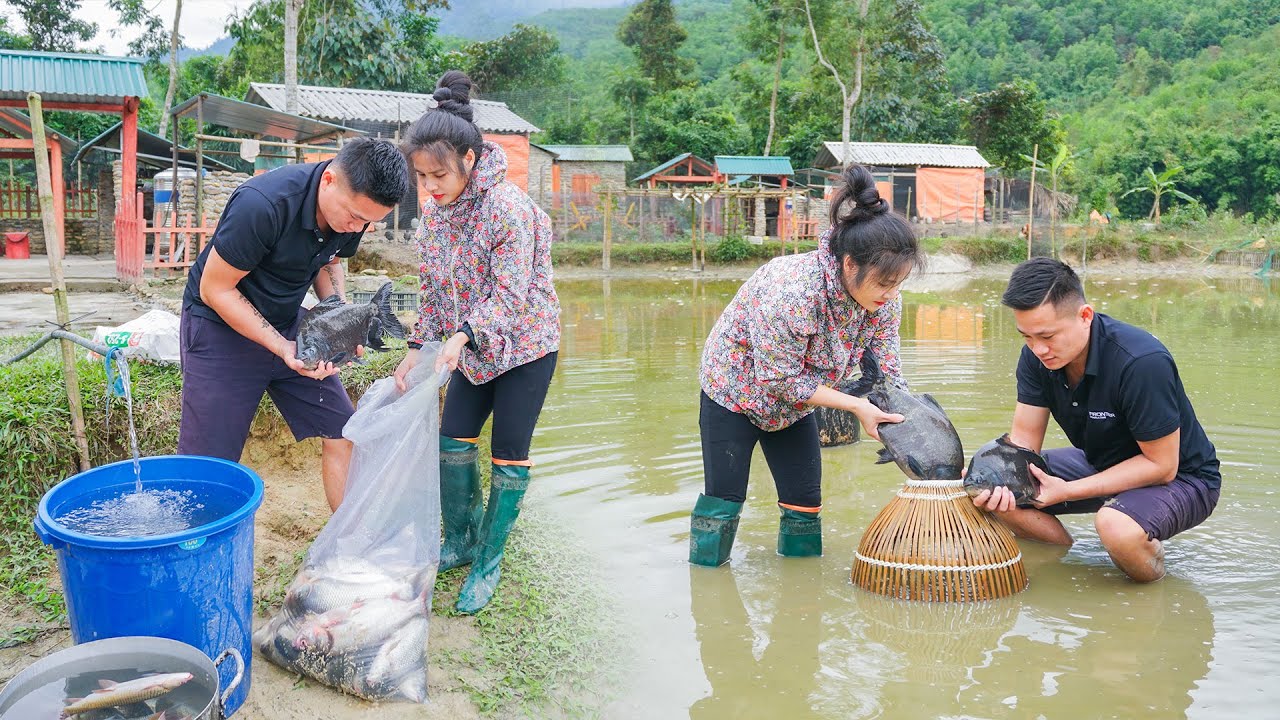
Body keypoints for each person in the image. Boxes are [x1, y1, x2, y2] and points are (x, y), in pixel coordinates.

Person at [689, 164, 924, 567]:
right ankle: (707, 579)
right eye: (885, 283)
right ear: (850, 264)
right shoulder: (794, 290)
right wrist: (855, 405)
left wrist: (909, 427)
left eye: (898, 283)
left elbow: (888, 367)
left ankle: (801, 591)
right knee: (724, 499)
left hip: (797, 402)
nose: (892, 294)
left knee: (805, 502)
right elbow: (778, 378)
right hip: (734, 393)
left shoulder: (885, 301)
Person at [393, 70, 560, 614]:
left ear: (469, 158)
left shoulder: (508, 209)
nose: (429, 188)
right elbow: (435, 288)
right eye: (420, 177)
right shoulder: (436, 216)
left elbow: (513, 295)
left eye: (437, 174)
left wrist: (462, 335)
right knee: (453, 440)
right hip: (470, 349)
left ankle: (488, 560)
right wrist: (420, 345)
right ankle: (461, 540)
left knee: (509, 455)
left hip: (526, 346)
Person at [178, 137, 409, 512]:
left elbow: (329, 260)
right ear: (330, 179)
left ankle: (345, 543)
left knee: (343, 431)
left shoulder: (353, 214)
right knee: (210, 464)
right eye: (354, 216)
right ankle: (195, 549)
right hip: (219, 326)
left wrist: (340, 320)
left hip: (287, 321)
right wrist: (283, 347)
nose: (356, 227)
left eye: (367, 221)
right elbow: (215, 289)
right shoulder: (263, 204)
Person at [973, 258, 1220, 582]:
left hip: (1183, 479)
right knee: (989, 487)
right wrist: (993, 475)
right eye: (1027, 337)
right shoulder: (1036, 357)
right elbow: (1023, 444)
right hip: (1100, 462)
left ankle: (1151, 573)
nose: (1039, 349)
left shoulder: (1141, 362)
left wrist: (1068, 490)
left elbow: (1162, 467)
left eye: (1047, 336)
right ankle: (1064, 560)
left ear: (1085, 316)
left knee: (1115, 527)